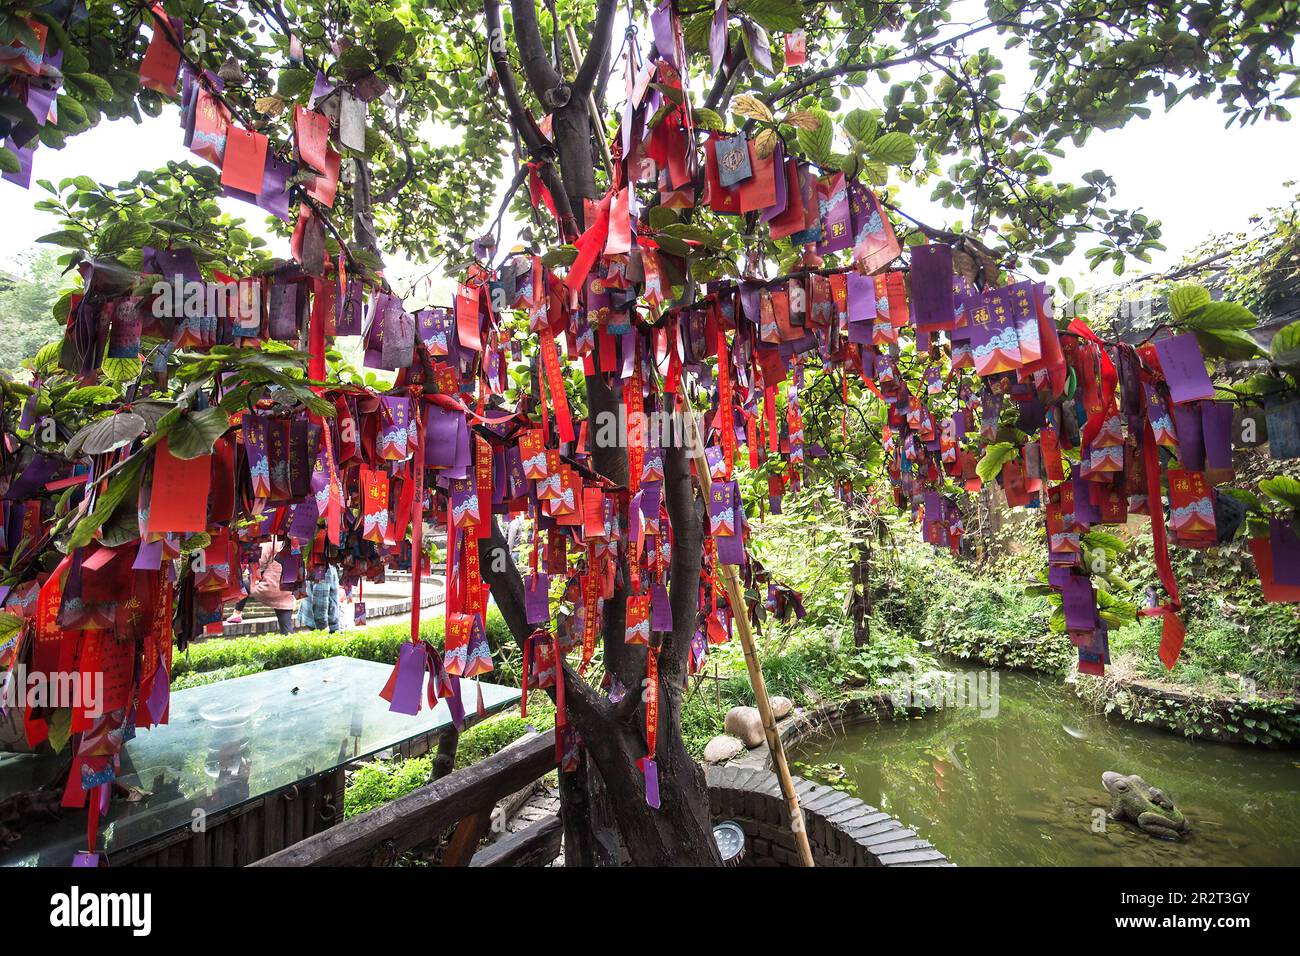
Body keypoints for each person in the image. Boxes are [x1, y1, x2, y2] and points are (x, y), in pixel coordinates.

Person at [249, 538, 296, 634]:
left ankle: (237, 612)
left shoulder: (270, 545)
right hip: (288, 592)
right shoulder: (297, 548)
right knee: (286, 627)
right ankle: (290, 646)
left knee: (244, 584)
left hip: (269, 587)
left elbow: (257, 563)